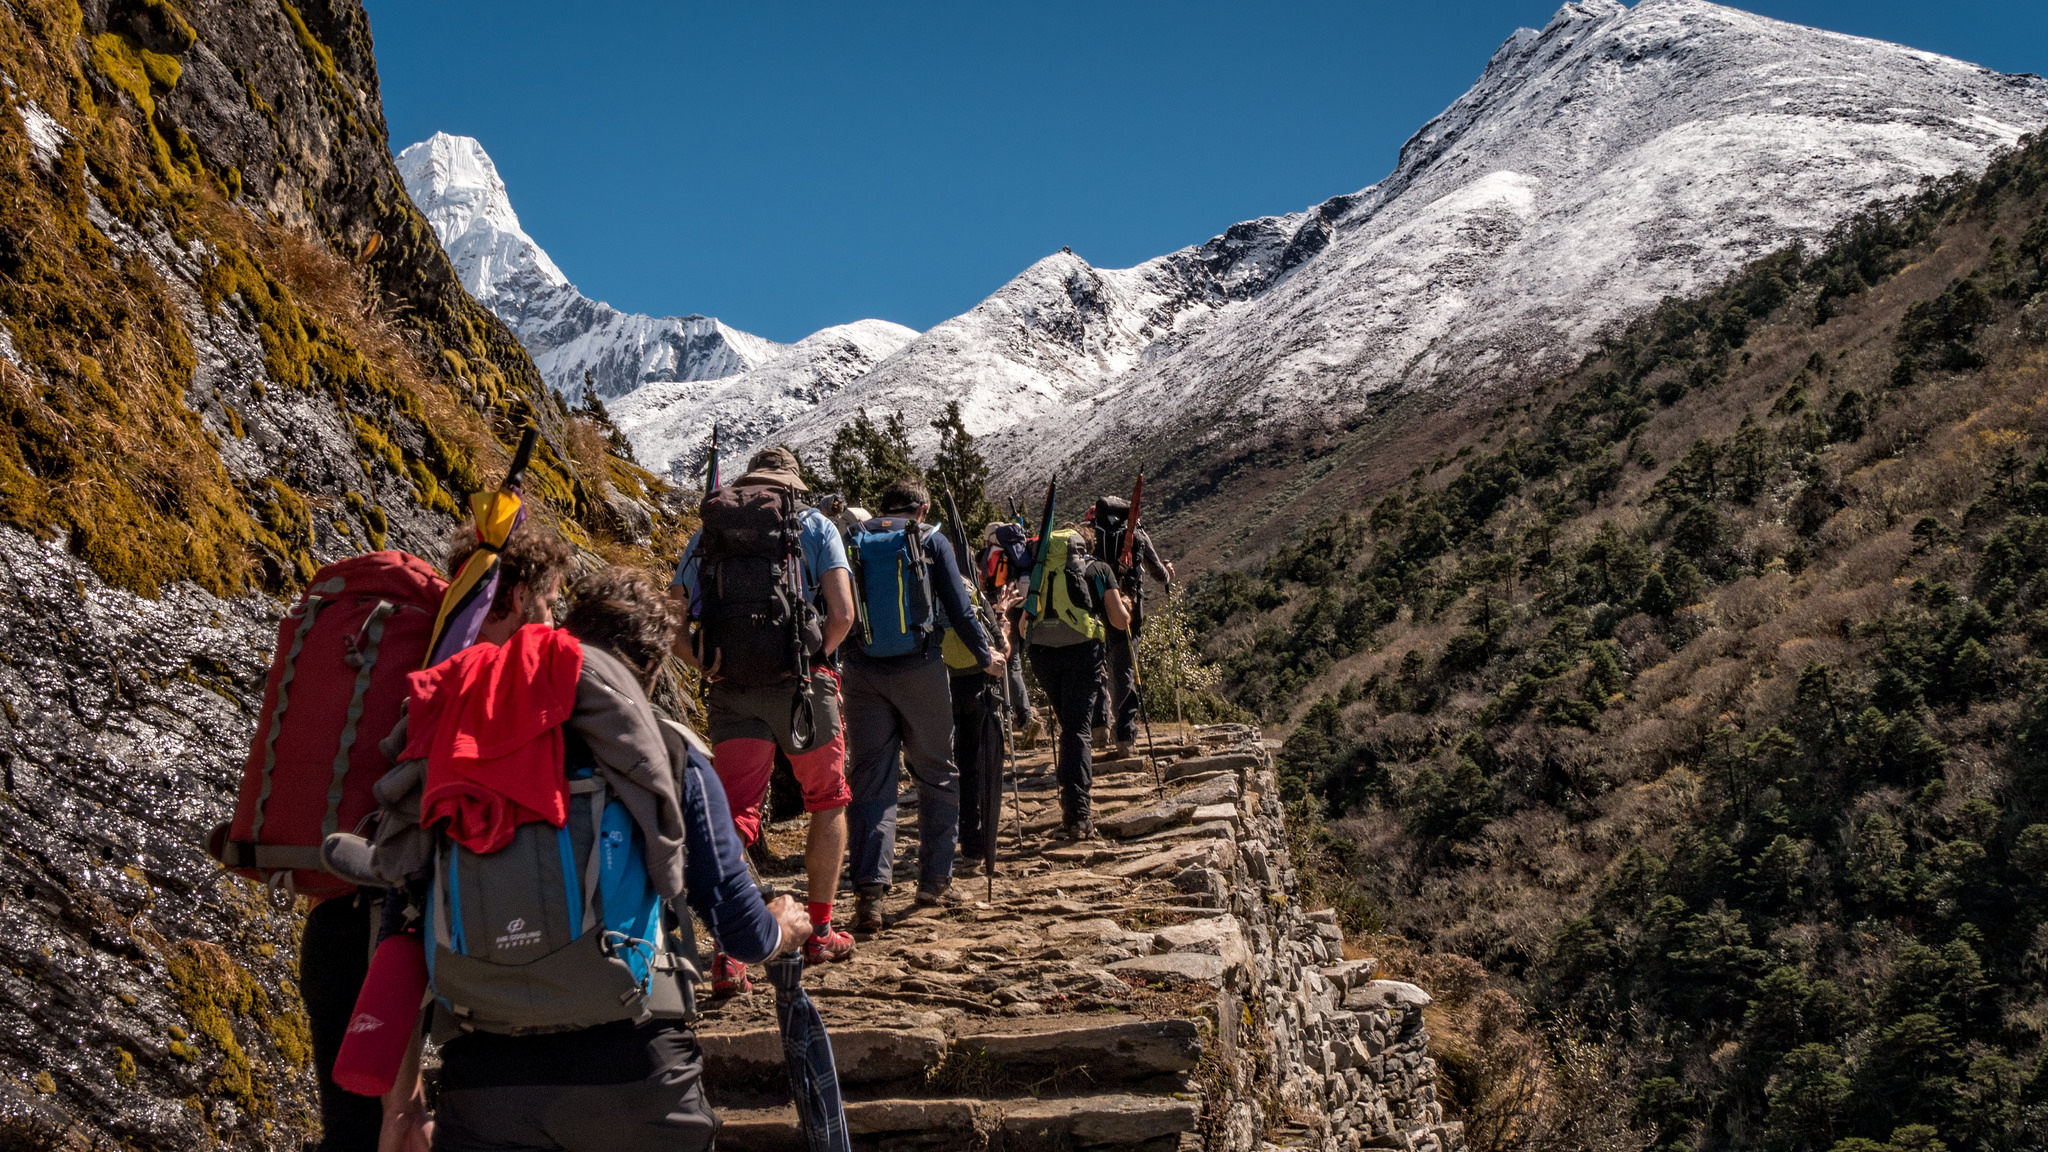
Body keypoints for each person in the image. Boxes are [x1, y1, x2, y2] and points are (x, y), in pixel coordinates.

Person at [344, 566, 811, 1152]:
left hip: (484, 1078)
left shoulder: (462, 739)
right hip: (637, 1069)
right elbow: (738, 925)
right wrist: (782, 930)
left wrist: (401, 1108)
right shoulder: (668, 753)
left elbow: (399, 930)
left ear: (567, 632)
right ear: (653, 666)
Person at [299, 519, 576, 1152]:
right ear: (515, 594)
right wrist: (405, 1098)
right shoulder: (476, 685)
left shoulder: (424, 650)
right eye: (550, 604)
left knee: (348, 1131)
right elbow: (411, 854)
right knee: (401, 1130)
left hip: (334, 926)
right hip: (403, 943)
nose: (553, 624)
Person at [670, 447, 858, 988]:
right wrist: (814, 659)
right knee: (827, 798)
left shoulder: (710, 531)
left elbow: (673, 614)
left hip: (732, 690)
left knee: (735, 814)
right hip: (804, 688)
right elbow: (842, 613)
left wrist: (703, 661)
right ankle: (818, 933)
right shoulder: (816, 525)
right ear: (792, 483)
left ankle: (732, 950)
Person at [841, 477, 1002, 929]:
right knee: (936, 772)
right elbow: (959, 609)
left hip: (861, 672)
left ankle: (869, 895)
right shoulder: (931, 540)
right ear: (924, 507)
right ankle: (934, 881)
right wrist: (985, 655)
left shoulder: (853, 538)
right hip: (921, 669)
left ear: (881, 507)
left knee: (872, 778)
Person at [1024, 525, 1131, 840]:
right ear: (1085, 547)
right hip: (1083, 653)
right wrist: (1128, 606)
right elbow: (1118, 620)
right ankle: (1078, 816)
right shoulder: (1098, 569)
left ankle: (1071, 806)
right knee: (1076, 729)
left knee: (1067, 724)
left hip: (1043, 655)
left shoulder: (1042, 571)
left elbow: (1022, 625)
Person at [1087, 497, 1173, 758]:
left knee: (1096, 667)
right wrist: (1168, 573)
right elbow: (1158, 572)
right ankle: (1125, 737)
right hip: (1128, 612)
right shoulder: (1136, 535)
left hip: (1095, 611)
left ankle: (1099, 727)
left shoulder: (1088, 534)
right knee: (1124, 670)